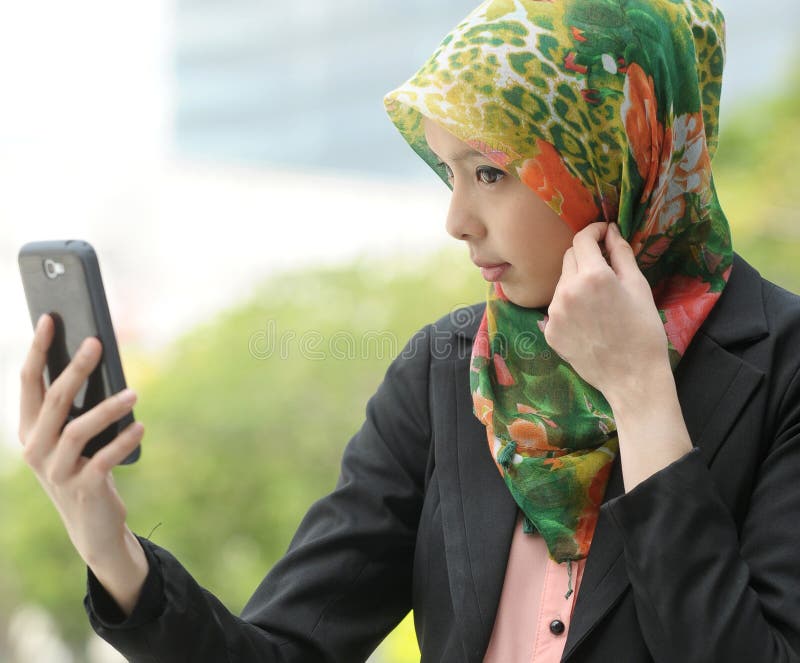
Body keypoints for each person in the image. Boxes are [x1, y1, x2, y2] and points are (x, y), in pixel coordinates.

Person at [16, 0, 800, 661]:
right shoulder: (446, 371)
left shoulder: (783, 364)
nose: (457, 220)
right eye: (447, 172)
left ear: (616, 156)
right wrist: (110, 550)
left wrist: (640, 393)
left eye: (491, 172)